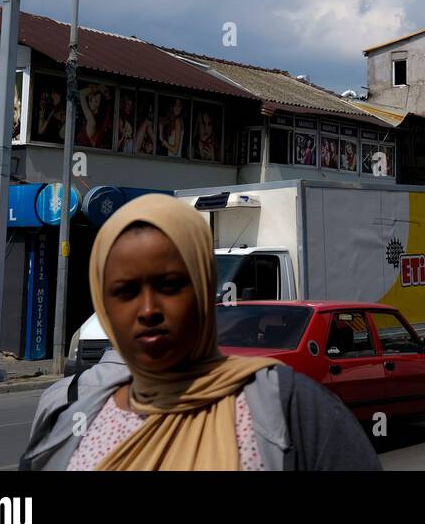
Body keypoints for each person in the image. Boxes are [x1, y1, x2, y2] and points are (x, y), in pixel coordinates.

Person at [20, 193, 381, 470]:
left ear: (206, 288)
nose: (148, 311)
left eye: (170, 285)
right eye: (125, 292)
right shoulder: (67, 413)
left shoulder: (286, 406)